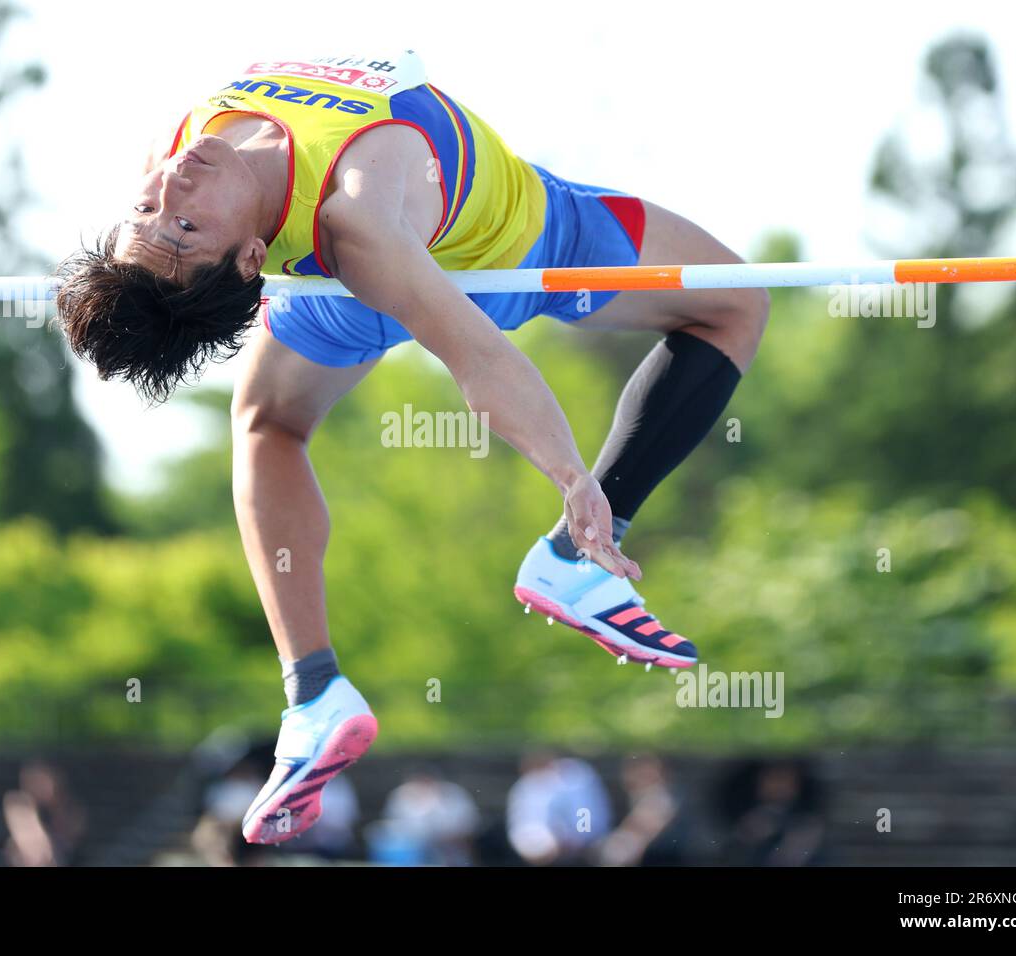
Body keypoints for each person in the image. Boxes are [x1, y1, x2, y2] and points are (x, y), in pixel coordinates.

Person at [56, 50, 768, 845]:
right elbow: (482, 362)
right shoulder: (356, 219)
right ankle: (573, 557)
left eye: (150, 216)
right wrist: (572, 479)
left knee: (268, 423)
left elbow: (161, 227)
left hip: (437, 238)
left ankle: (315, 693)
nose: (171, 195)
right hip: (502, 253)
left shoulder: (176, 153)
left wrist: (161, 240)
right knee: (732, 305)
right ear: (253, 260)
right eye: (184, 229)